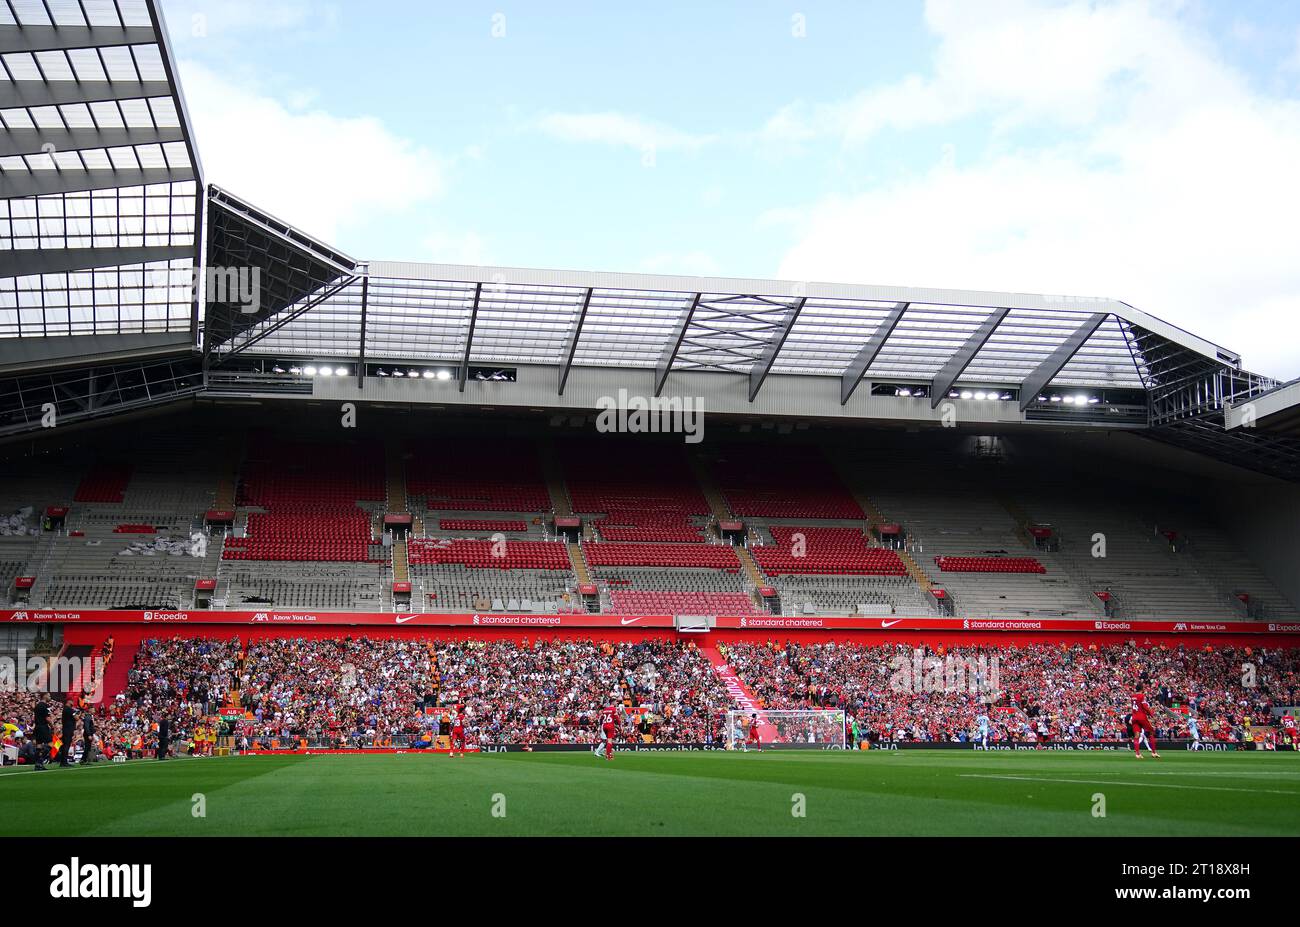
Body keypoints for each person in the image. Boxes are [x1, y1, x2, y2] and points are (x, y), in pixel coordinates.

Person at [1131, 688, 1160, 759]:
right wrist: (1152, 715)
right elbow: (1145, 707)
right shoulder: (1141, 696)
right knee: (1151, 732)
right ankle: (1153, 753)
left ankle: (1138, 754)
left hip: (1134, 717)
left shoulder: (1132, 696)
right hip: (1141, 717)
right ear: (1142, 689)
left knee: (1136, 735)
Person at [32, 697, 52, 771]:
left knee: (39, 746)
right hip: (43, 727)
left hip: (37, 727)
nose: (50, 697)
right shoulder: (44, 705)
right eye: (49, 696)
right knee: (51, 744)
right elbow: (47, 718)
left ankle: (37, 765)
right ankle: (40, 762)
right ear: (45, 696)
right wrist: (52, 726)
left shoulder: (37, 706)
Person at [57, 698, 76, 767]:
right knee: (66, 746)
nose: (73, 702)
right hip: (68, 729)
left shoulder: (66, 709)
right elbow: (76, 717)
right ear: (69, 701)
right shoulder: (69, 709)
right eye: (72, 701)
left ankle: (63, 761)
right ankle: (64, 762)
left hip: (66, 729)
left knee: (65, 745)